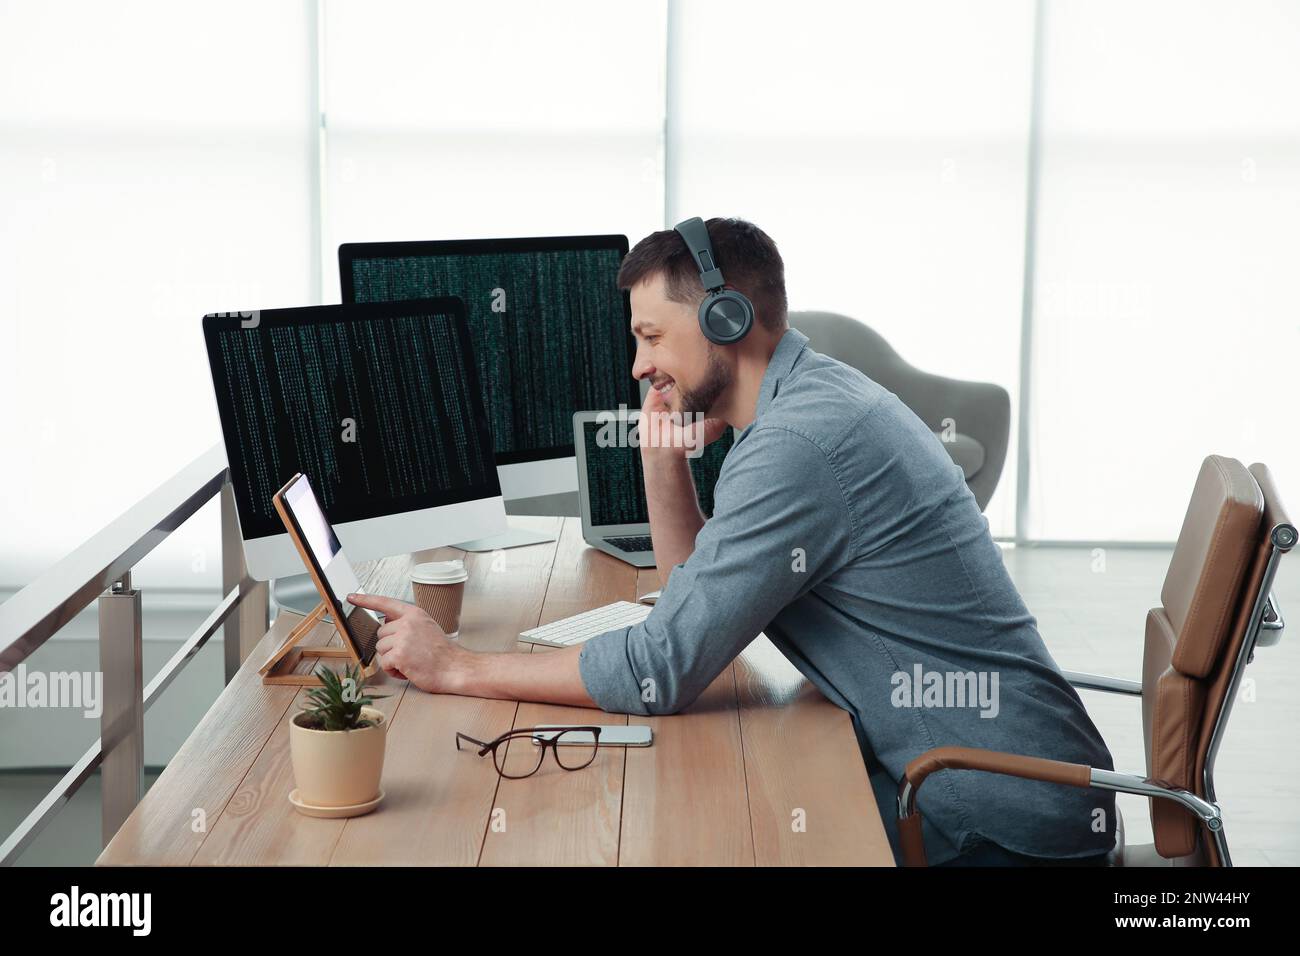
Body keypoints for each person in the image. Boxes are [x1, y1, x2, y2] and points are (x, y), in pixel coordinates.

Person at [350, 217, 1117, 866]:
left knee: (702, 832)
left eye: (652, 336)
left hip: (990, 811)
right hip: (984, 768)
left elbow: (662, 669)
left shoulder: (798, 447)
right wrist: (661, 459)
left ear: (727, 320)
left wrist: (456, 667)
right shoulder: (807, 404)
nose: (638, 363)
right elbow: (696, 605)